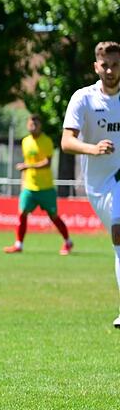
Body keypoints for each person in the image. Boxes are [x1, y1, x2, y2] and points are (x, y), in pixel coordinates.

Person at [61, 40, 120, 328]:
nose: (110, 70)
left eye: (115, 65)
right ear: (96, 66)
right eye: (105, 65)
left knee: (119, 232)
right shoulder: (83, 99)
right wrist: (93, 149)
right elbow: (66, 141)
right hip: (99, 184)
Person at [3, 114, 73, 255]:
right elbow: (26, 162)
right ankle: (18, 244)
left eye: (35, 124)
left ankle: (67, 242)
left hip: (46, 187)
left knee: (53, 216)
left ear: (40, 125)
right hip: (29, 187)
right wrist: (23, 184)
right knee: (22, 213)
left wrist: (28, 166)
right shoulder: (25, 141)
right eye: (30, 123)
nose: (32, 126)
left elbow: (47, 163)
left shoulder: (47, 141)